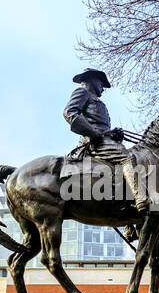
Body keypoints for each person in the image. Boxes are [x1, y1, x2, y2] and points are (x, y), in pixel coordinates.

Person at [63, 68, 150, 216]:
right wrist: (94, 133)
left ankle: (127, 210)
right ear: (92, 80)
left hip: (104, 140)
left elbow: (101, 127)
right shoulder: (82, 93)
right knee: (127, 159)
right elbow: (69, 112)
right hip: (93, 143)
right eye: (101, 83)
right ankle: (140, 198)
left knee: (124, 167)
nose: (103, 88)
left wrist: (113, 134)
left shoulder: (97, 101)